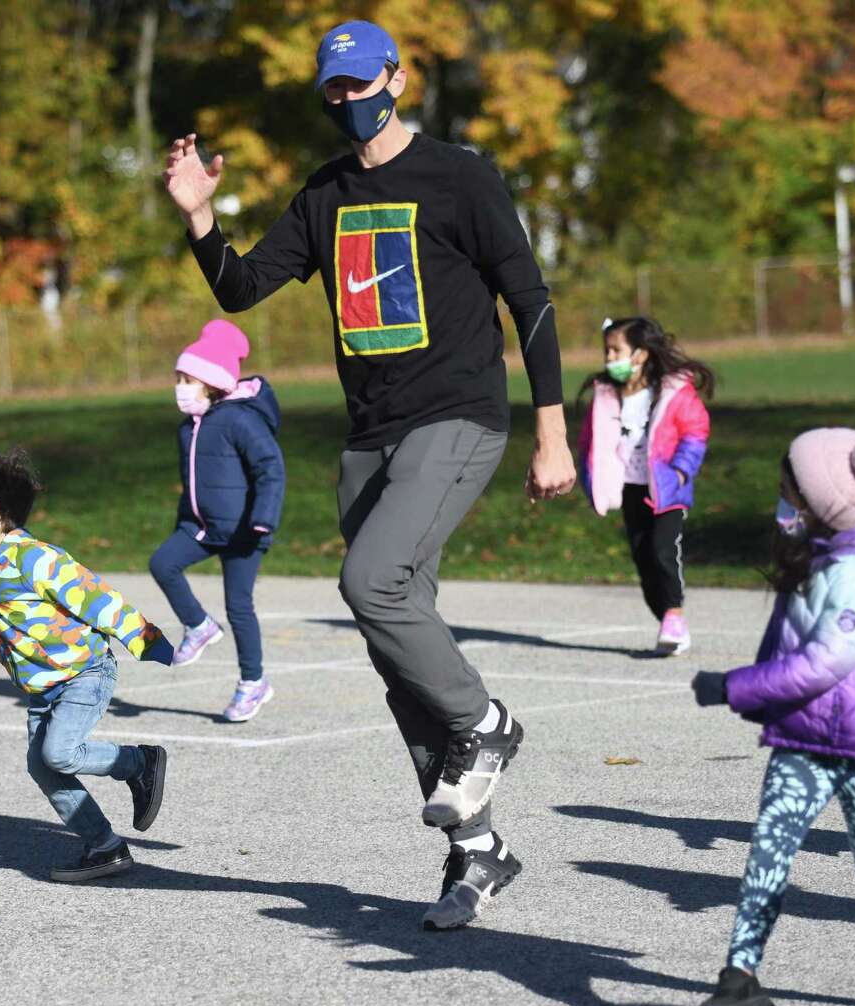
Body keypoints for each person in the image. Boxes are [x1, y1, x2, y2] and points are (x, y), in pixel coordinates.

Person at [164, 18, 577, 930]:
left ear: (398, 77)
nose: (348, 100)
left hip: (458, 417)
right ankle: (477, 853)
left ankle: (488, 725)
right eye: (335, 89)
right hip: (368, 441)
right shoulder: (324, 195)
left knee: (369, 581)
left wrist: (554, 432)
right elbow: (239, 287)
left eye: (361, 83)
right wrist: (199, 216)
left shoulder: (460, 176)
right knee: (399, 656)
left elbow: (531, 301)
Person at [691, 428, 855, 1006]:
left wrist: (731, 688)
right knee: (769, 848)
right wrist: (760, 697)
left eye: (789, 494)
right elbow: (787, 642)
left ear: (823, 500)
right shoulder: (824, 556)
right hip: (806, 739)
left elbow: (822, 663)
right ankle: (740, 976)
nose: (783, 506)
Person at [0, 449, 174, 883]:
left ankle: (138, 763)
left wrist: (145, 639)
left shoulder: (34, 558)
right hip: (43, 687)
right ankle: (104, 846)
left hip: (84, 672)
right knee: (42, 766)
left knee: (58, 752)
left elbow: (97, 597)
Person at [149, 319, 286, 723]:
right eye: (178, 377)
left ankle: (253, 683)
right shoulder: (188, 429)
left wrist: (263, 520)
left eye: (187, 378)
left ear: (211, 381)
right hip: (202, 527)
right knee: (163, 563)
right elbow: (192, 484)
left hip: (245, 530)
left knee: (239, 607)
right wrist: (184, 523)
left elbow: (271, 469)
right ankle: (198, 625)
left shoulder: (240, 420)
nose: (180, 385)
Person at [577, 316, 712, 655]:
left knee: (662, 551)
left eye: (616, 351)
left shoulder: (672, 392)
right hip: (630, 488)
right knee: (642, 557)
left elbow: (695, 433)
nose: (609, 359)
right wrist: (590, 476)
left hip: (666, 490)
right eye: (606, 351)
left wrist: (681, 472)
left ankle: (675, 616)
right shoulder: (606, 395)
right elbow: (588, 442)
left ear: (640, 354)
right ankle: (665, 615)